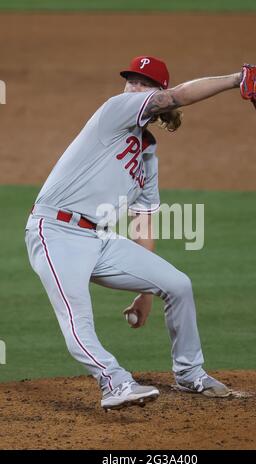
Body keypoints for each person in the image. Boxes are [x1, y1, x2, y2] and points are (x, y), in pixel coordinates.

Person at [25, 56, 240, 410]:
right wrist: (235, 80)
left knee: (178, 284)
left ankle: (190, 373)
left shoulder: (149, 151)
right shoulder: (115, 110)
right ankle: (115, 383)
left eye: (144, 83)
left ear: (157, 89)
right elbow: (179, 97)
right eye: (131, 80)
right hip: (56, 231)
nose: (133, 87)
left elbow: (143, 219)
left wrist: (145, 292)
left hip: (98, 238)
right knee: (78, 320)